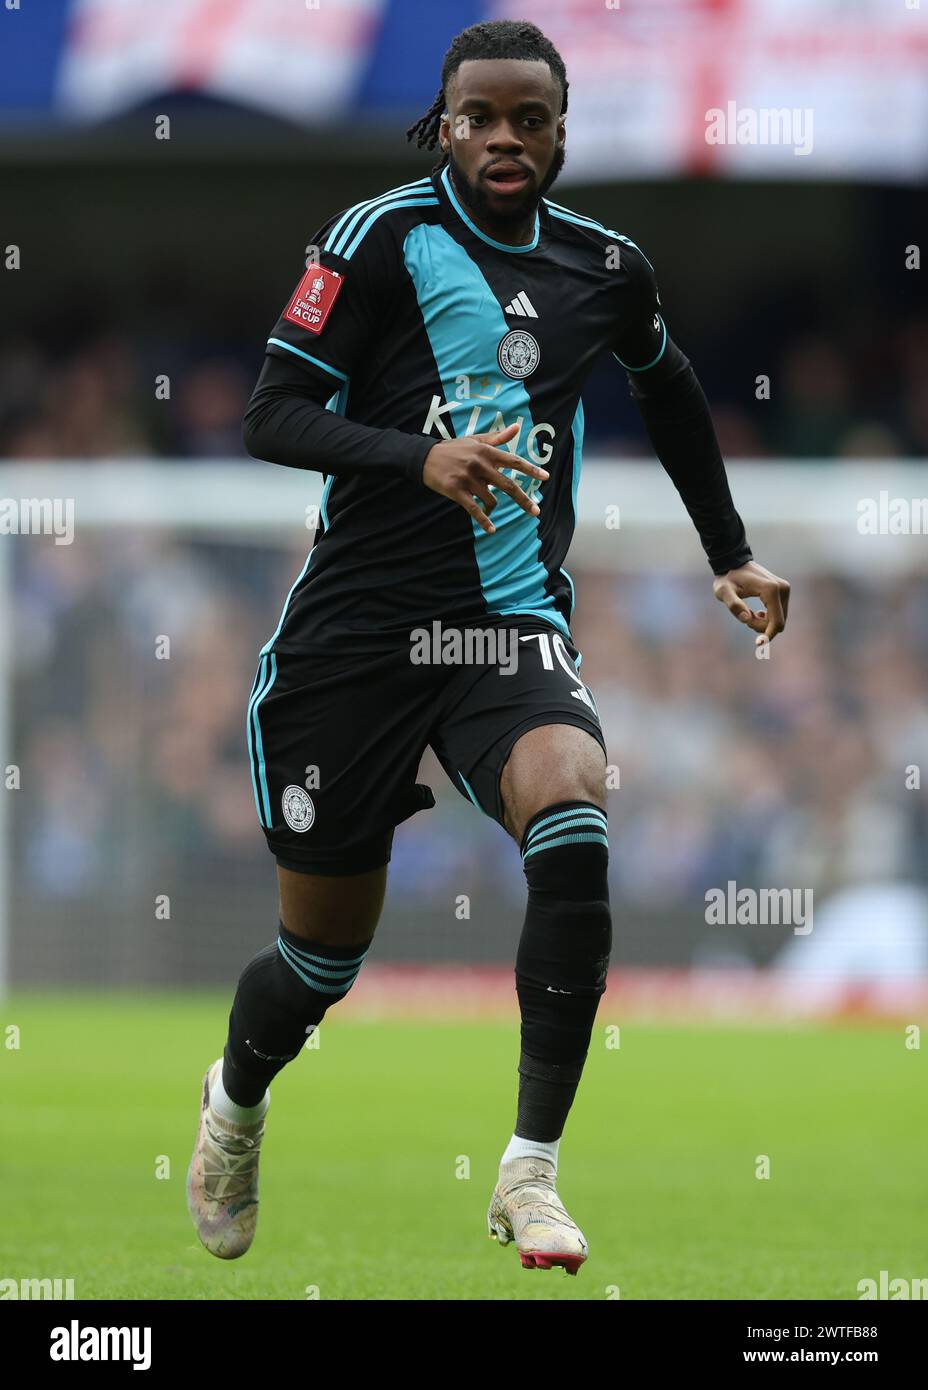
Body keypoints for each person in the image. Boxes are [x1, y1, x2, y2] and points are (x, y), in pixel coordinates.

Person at [187, 18, 789, 1275]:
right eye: (480, 117)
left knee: (571, 798)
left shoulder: (606, 266)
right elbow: (269, 415)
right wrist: (420, 456)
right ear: (443, 124)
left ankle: (529, 1172)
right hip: (350, 645)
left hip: (502, 626)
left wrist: (726, 550)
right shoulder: (378, 239)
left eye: (530, 118)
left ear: (562, 130)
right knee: (319, 961)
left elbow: (667, 383)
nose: (505, 138)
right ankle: (235, 1108)